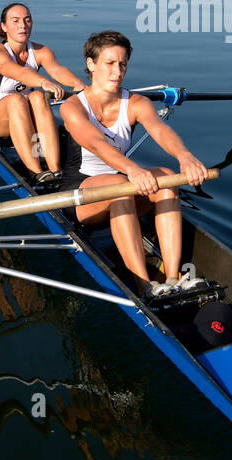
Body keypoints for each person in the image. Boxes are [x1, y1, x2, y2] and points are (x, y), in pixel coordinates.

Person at [61, 30, 209, 298]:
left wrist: (185, 157)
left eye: (122, 64)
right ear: (91, 64)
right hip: (80, 196)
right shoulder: (73, 107)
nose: (117, 72)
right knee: (122, 186)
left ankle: (173, 279)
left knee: (165, 178)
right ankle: (146, 287)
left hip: (120, 186)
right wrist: (132, 170)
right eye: (109, 63)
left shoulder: (136, 103)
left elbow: (160, 131)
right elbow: (97, 144)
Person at [0, 3, 87, 191]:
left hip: (25, 117)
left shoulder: (41, 51)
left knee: (39, 97)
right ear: (4, 27)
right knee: (18, 99)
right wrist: (42, 82)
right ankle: (35, 173)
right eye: (15, 21)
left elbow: (57, 70)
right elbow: (20, 73)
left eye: (27, 20)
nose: (22, 25)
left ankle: (55, 171)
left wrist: (79, 85)